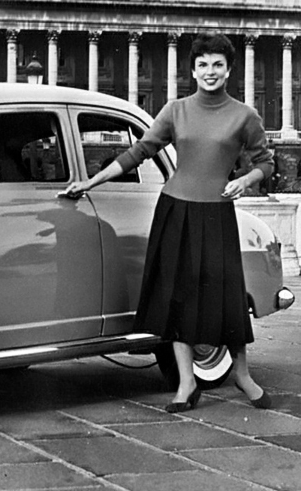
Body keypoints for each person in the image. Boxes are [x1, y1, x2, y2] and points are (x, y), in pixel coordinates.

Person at [64, 32, 274, 413]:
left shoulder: (245, 115)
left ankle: (242, 375)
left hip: (218, 212)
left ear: (229, 71)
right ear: (192, 70)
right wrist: (91, 181)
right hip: (176, 211)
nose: (210, 72)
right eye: (202, 65)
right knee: (178, 299)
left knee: (227, 298)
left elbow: (265, 163)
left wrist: (245, 180)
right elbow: (139, 151)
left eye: (217, 65)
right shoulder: (175, 110)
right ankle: (187, 382)